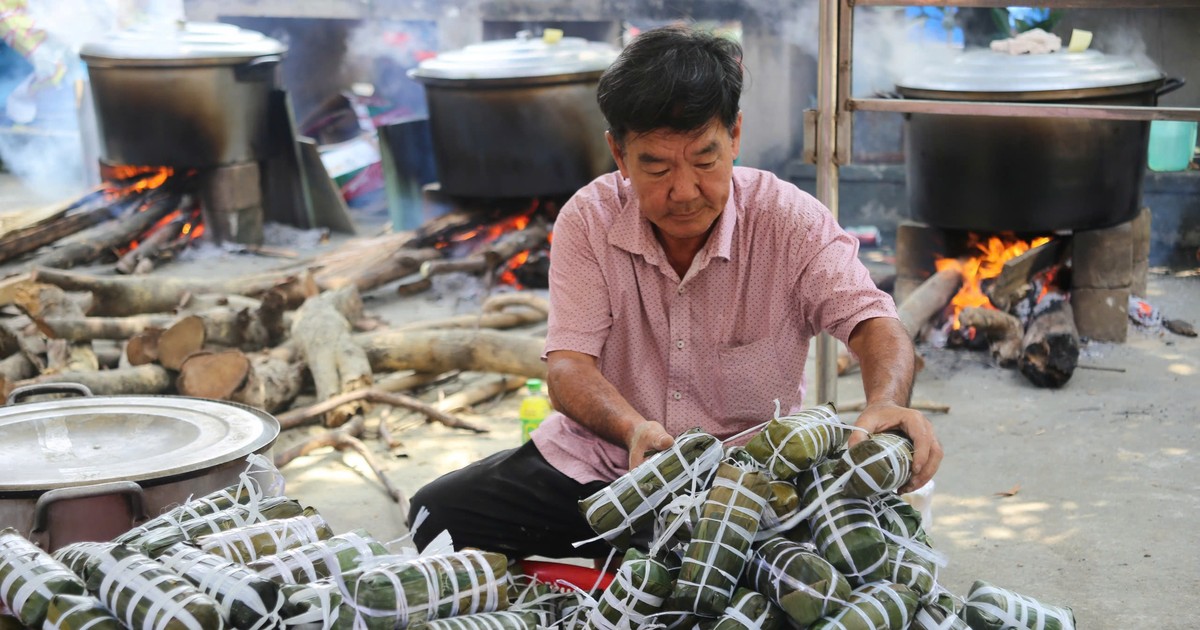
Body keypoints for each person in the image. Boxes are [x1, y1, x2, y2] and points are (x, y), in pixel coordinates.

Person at [407, 25, 942, 560]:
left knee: (834, 558)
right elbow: (569, 368)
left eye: (705, 160)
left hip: (747, 486)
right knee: (437, 518)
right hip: (608, 467)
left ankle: (650, 558)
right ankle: (644, 554)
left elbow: (873, 322)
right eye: (656, 166)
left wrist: (887, 404)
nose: (684, 191)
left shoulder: (789, 220)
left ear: (735, 136)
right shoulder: (588, 221)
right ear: (618, 153)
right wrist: (633, 428)